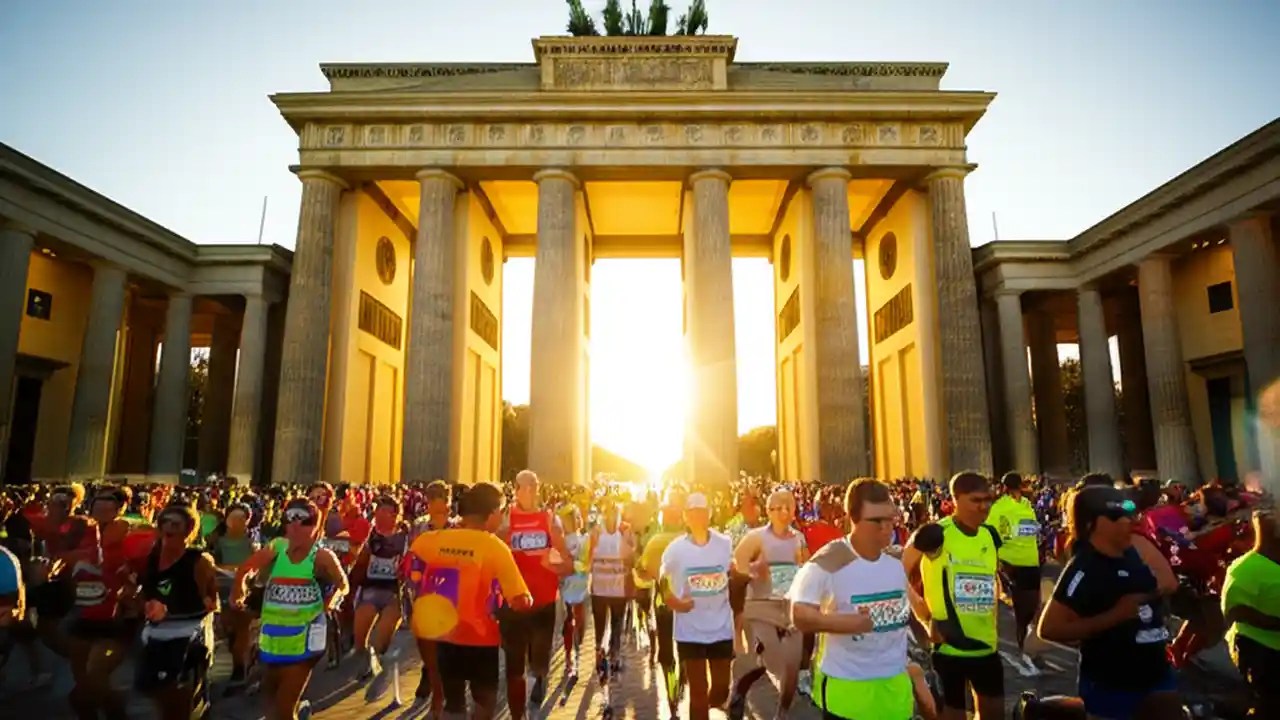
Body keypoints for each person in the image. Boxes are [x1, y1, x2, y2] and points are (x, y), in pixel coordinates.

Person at [1038, 485, 1181, 720]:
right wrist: (1115, 615)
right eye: (1116, 517)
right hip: (1111, 682)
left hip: (1157, 673)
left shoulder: (1133, 554)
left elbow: (1162, 587)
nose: (1128, 522)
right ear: (1091, 524)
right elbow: (1050, 628)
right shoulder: (1083, 569)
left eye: (1129, 514)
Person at [789, 479, 919, 720]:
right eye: (877, 521)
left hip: (895, 694)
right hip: (847, 694)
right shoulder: (829, 560)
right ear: (853, 518)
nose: (886, 527)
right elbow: (800, 614)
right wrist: (846, 624)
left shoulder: (895, 560)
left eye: (890, 518)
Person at [408, 482, 533, 720]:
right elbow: (519, 599)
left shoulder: (430, 540)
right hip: (480, 639)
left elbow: (413, 578)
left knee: (453, 703)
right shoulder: (494, 547)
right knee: (484, 703)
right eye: (502, 512)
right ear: (493, 513)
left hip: (444, 637)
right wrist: (526, 600)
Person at [232, 498, 350, 720]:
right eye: (290, 520)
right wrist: (239, 588)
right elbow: (246, 568)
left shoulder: (322, 556)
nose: (295, 527)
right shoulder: (277, 547)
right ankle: (301, 712)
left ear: (315, 526)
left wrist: (332, 600)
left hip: (304, 640)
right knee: (269, 703)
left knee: (284, 708)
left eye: (303, 522)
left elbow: (343, 585)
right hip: (272, 637)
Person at [904, 471, 1003, 720]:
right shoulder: (935, 534)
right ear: (956, 499)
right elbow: (896, 572)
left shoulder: (990, 536)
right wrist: (924, 616)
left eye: (988, 500)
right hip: (949, 649)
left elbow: (991, 580)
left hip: (986, 648)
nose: (984, 507)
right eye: (976, 500)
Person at [135, 502, 219, 720]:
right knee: (153, 690)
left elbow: (212, 603)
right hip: (155, 634)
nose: (169, 527)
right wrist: (141, 603)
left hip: (188, 635)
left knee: (179, 695)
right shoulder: (149, 558)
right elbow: (139, 591)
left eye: (176, 524)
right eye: (165, 522)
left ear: (188, 530)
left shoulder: (198, 561)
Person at [500, 470, 573, 719]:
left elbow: (568, 563)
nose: (529, 491)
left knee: (540, 657)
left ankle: (540, 677)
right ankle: (518, 712)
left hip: (543, 600)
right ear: (516, 489)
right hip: (515, 600)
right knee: (514, 662)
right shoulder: (505, 519)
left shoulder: (550, 520)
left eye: (533, 486)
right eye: (524, 486)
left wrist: (553, 566)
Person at [730, 488, 808, 719]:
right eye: (779, 508)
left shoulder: (799, 538)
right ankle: (741, 691)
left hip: (790, 608)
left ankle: (781, 712)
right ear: (769, 511)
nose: (784, 512)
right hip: (762, 606)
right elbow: (737, 564)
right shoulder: (756, 537)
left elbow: (806, 568)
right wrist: (754, 570)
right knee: (768, 661)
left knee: (791, 667)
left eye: (789, 507)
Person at [660, 491, 734, 720]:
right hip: (690, 629)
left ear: (709, 515)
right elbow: (663, 579)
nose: (698, 518)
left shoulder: (725, 543)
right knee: (699, 693)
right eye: (693, 513)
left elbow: (735, 570)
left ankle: (712, 705)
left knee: (721, 689)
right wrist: (674, 602)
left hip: (721, 626)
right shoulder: (676, 549)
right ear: (686, 517)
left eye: (702, 512)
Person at [1221, 508, 1280, 718]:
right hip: (1260, 651)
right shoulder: (1245, 568)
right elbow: (1235, 612)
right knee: (1269, 705)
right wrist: (1275, 623)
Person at [350, 495, 410, 700]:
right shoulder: (371, 537)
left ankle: (375, 663)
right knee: (360, 639)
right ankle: (364, 658)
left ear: (395, 515)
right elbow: (359, 564)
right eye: (378, 511)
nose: (380, 515)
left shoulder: (405, 537)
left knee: (381, 639)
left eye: (386, 512)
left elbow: (411, 564)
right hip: (370, 590)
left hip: (393, 594)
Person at [640, 486, 690, 719]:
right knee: (686, 650)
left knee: (666, 655)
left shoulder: (655, 540)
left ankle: (672, 699)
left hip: (663, 605)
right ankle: (682, 680)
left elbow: (643, 573)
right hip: (688, 606)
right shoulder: (690, 540)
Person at [987, 471, 1042, 676]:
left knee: (1032, 607)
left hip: (1032, 562)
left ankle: (1027, 645)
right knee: (1020, 609)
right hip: (1011, 564)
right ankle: (1022, 649)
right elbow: (991, 534)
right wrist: (999, 562)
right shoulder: (999, 508)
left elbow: (1031, 532)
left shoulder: (1027, 506)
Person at [409, 480, 453, 714]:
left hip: (450, 595)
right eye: (431, 503)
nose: (436, 509)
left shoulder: (458, 529)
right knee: (427, 643)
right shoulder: (418, 527)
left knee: (444, 645)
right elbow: (411, 556)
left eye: (440, 502)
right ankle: (430, 673)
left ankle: (438, 694)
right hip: (424, 592)